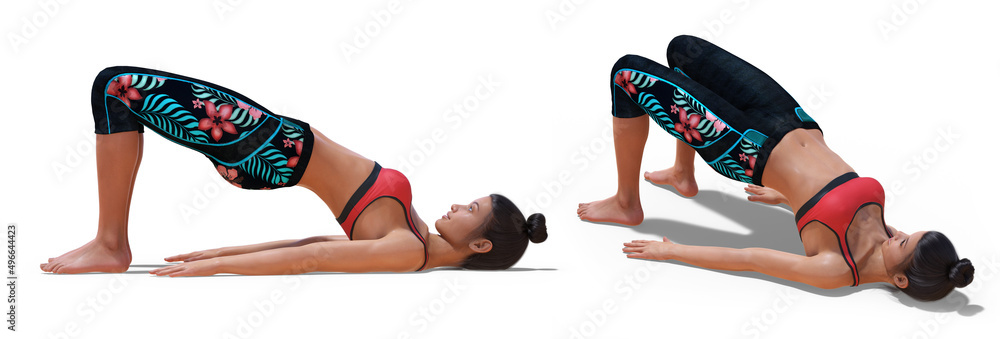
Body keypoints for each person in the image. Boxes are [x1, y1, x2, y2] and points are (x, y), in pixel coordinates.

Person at [41, 66, 547, 276]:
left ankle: (111, 244)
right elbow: (307, 243)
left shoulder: (408, 250)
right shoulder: (411, 234)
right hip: (269, 142)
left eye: (471, 210)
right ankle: (110, 242)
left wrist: (213, 270)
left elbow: (315, 260)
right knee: (118, 92)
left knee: (115, 87)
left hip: (265, 147)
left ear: (479, 245)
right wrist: (221, 250)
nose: (459, 204)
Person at [578, 35, 973, 301]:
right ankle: (683, 175)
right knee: (684, 51)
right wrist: (790, 198)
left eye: (903, 243)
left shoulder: (836, 269)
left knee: (627, 74)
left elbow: (750, 257)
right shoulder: (888, 238)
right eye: (908, 235)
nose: (899, 235)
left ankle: (627, 202)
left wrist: (675, 251)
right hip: (791, 118)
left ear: (899, 280)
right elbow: (829, 206)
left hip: (744, 146)